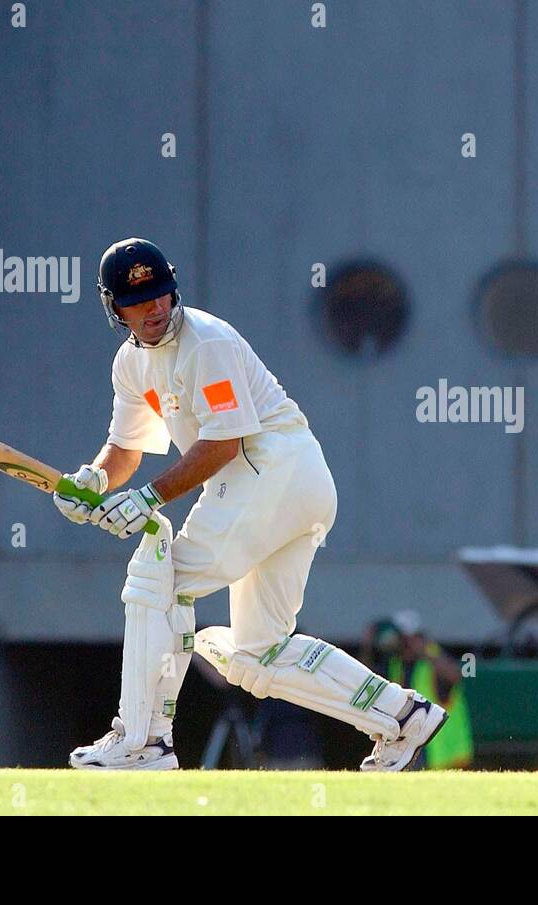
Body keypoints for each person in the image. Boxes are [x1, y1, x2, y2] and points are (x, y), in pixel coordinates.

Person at [58, 238, 446, 771]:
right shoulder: (131, 364)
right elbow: (126, 447)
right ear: (113, 307)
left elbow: (224, 442)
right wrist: (95, 480)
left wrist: (148, 497)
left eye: (160, 295)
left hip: (271, 470)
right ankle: (402, 717)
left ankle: (145, 740)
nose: (154, 309)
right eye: (138, 301)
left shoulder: (205, 342)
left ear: (173, 291)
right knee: (255, 655)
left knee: (160, 582)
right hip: (289, 483)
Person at [362, 611, 473, 769]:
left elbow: (455, 676)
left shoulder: (432, 665)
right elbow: (365, 686)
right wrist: (368, 646)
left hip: (446, 760)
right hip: (414, 757)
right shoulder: (396, 666)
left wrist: (425, 651)